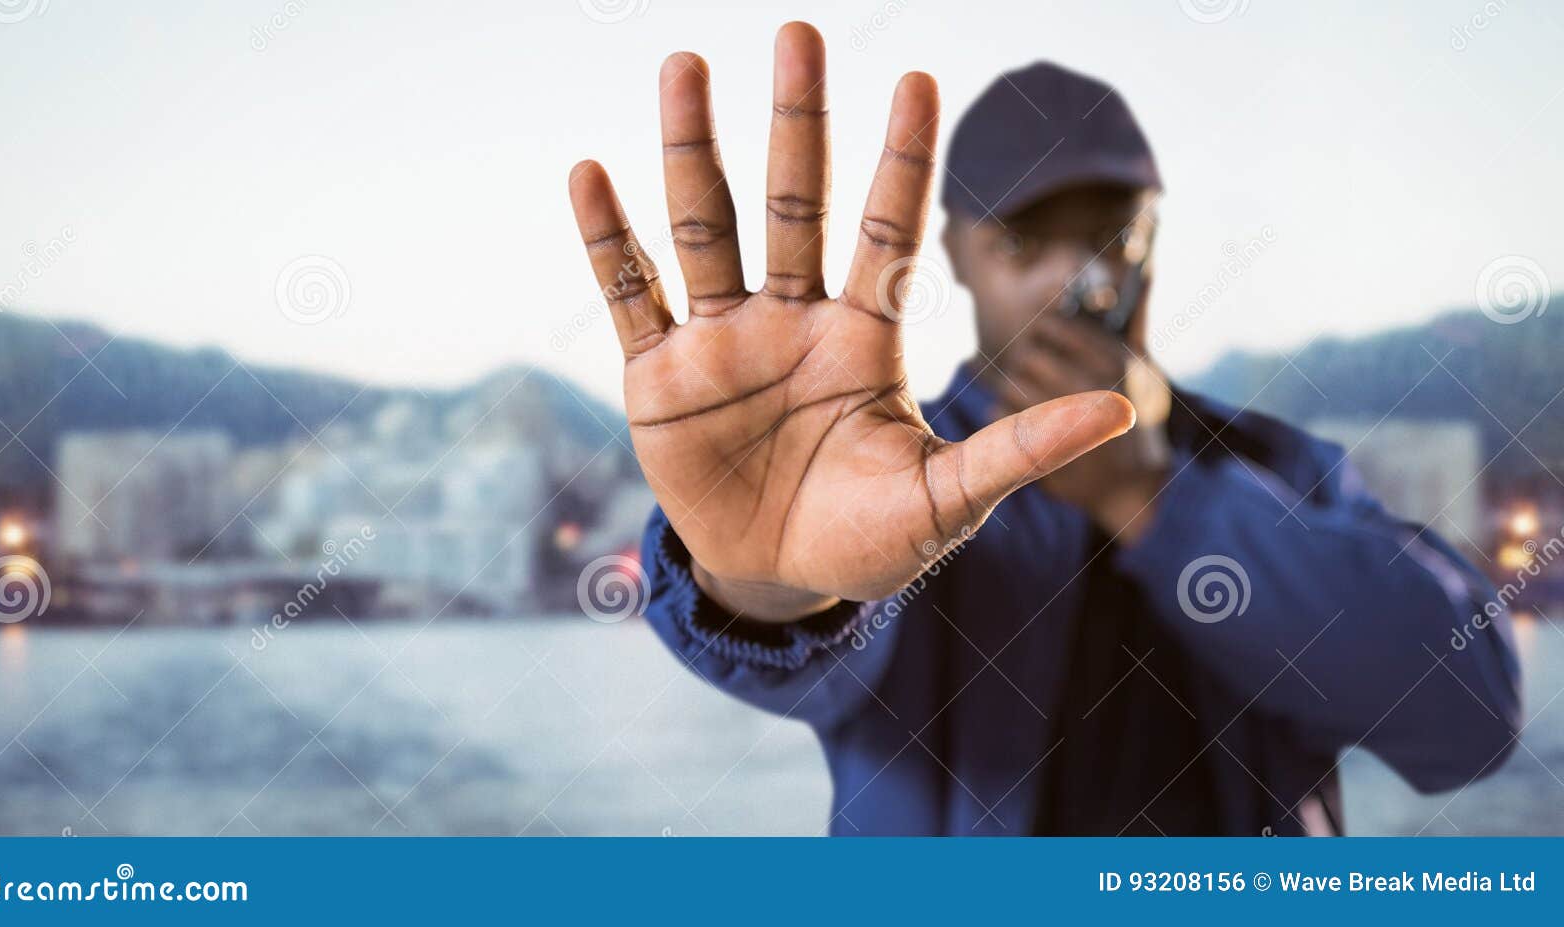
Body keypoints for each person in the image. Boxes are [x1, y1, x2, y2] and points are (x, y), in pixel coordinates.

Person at [567, 22, 1520, 835]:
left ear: (1154, 238)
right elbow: (814, 664)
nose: (1077, 279)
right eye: (1024, 239)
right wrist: (766, 581)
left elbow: (1467, 714)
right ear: (959, 256)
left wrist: (1152, 497)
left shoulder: (1283, 468)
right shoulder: (886, 473)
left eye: (1110, 234)